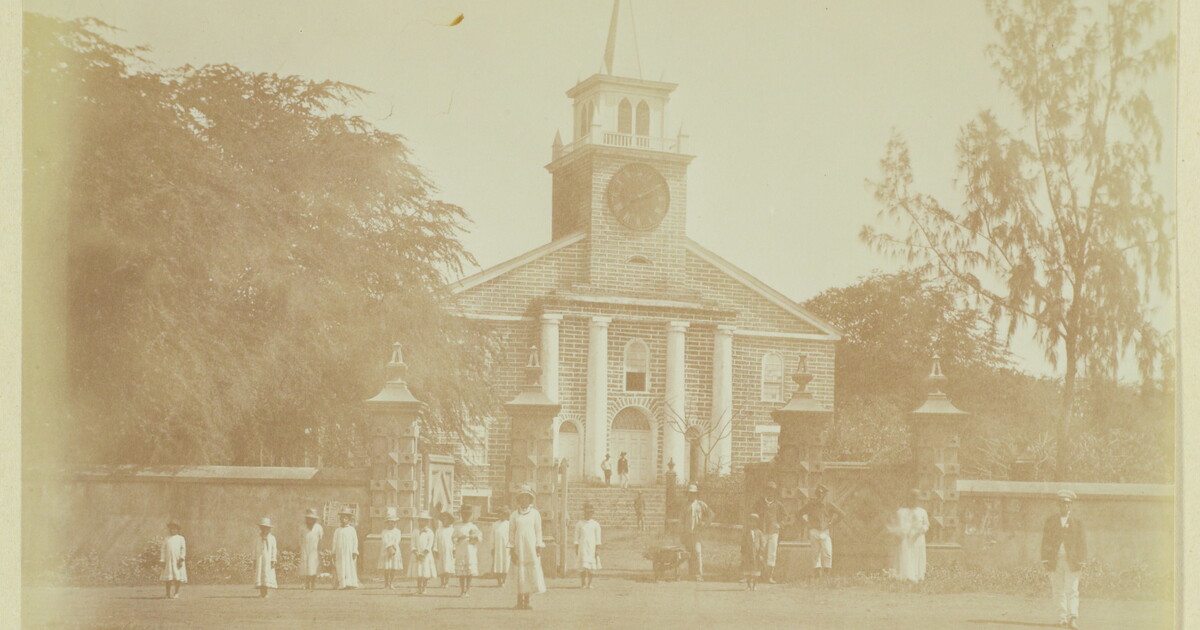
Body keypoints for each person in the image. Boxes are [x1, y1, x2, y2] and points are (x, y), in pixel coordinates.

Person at [1041, 490, 1087, 629]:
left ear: (1071, 506)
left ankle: (1072, 617)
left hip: (1072, 560)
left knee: (1072, 589)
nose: (1064, 507)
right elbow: (1046, 541)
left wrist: (1082, 560)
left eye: (1067, 504)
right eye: (1062, 504)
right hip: (1055, 560)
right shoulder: (1051, 521)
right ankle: (1062, 618)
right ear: (1058, 505)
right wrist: (1045, 559)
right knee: (1057, 589)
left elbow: (1082, 542)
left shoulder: (1077, 522)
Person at [508, 484, 546, 610]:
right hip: (519, 548)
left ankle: (528, 600)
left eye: (526, 498)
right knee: (519, 573)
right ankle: (519, 601)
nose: (524, 500)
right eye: (522, 498)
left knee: (530, 572)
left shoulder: (535, 514)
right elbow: (511, 532)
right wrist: (512, 549)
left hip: (530, 548)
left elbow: (538, 531)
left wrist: (538, 545)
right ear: (518, 500)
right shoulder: (514, 515)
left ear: (530, 500)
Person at [797, 484, 844, 581]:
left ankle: (826, 576)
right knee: (815, 554)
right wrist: (807, 523)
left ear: (825, 495)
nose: (820, 496)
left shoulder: (829, 505)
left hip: (825, 532)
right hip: (813, 531)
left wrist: (832, 523)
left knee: (827, 552)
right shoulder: (811, 504)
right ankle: (817, 576)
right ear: (816, 494)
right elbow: (799, 514)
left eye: (822, 494)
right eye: (818, 494)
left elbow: (842, 514)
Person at [888, 489, 930, 584]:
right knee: (906, 555)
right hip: (905, 538)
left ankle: (917, 576)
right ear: (908, 499)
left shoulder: (922, 511)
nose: (914, 501)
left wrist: (922, 529)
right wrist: (900, 532)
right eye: (912, 498)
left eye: (917, 499)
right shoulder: (901, 511)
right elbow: (897, 525)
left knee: (917, 555)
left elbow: (927, 524)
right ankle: (905, 576)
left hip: (918, 538)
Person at [679, 484, 714, 581]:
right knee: (689, 553)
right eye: (690, 493)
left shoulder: (701, 504)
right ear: (688, 494)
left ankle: (699, 575)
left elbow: (710, 515)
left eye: (694, 493)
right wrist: (682, 532)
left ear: (696, 494)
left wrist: (704, 524)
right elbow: (681, 520)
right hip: (687, 532)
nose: (692, 495)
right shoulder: (684, 505)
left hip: (697, 533)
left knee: (697, 552)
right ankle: (691, 574)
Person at [754, 481, 784, 583]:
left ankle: (769, 576)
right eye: (768, 490)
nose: (770, 492)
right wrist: (756, 526)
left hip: (773, 532)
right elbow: (753, 515)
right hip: (762, 531)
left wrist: (779, 524)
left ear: (775, 492)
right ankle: (757, 575)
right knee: (759, 552)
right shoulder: (759, 503)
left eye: (772, 490)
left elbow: (785, 516)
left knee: (772, 554)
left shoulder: (778, 504)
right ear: (765, 491)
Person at [453, 506, 483, 597]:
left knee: (469, 571)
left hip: (470, 549)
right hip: (461, 549)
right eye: (464, 514)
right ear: (461, 515)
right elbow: (453, 538)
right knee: (462, 571)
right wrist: (458, 538)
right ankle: (462, 590)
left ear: (471, 515)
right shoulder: (457, 526)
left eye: (468, 514)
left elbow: (480, 538)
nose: (466, 516)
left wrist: (474, 537)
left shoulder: (473, 526)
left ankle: (468, 590)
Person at [574, 503, 602, 589]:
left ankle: (590, 583)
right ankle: (583, 583)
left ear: (592, 513)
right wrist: (576, 547)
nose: (588, 514)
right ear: (584, 513)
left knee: (591, 566)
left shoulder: (595, 524)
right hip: (582, 547)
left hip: (592, 548)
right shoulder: (580, 524)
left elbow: (598, 538)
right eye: (586, 512)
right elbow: (576, 537)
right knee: (583, 565)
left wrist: (597, 549)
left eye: (590, 512)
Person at [332, 508, 360, 589]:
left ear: (349, 520)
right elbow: (334, 542)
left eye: (346, 518)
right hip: (340, 552)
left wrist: (355, 551)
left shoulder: (352, 530)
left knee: (349, 566)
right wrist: (333, 552)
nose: (344, 520)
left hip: (349, 552)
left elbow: (355, 541)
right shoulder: (337, 530)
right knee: (340, 566)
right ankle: (342, 584)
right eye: (342, 518)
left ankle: (351, 583)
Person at [159, 520, 187, 599]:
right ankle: (167, 594)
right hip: (168, 561)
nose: (173, 530)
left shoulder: (181, 538)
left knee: (177, 576)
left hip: (177, 560)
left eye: (175, 529)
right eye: (171, 529)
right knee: (168, 577)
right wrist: (162, 560)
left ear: (178, 530)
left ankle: (176, 593)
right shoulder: (167, 539)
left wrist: (181, 559)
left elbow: (183, 549)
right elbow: (163, 550)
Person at [378, 508, 404, 589]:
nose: (391, 524)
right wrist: (389, 548)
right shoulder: (384, 531)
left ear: (395, 523)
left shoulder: (397, 531)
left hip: (395, 551)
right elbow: (385, 540)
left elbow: (397, 541)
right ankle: (386, 583)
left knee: (393, 567)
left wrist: (393, 548)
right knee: (386, 568)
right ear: (387, 523)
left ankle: (391, 583)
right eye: (389, 522)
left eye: (393, 522)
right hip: (386, 550)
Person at [412, 511, 436, 595]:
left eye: (424, 520)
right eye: (421, 520)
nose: (422, 522)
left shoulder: (430, 532)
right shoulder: (415, 531)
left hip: (426, 555)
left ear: (427, 522)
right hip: (417, 554)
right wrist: (416, 553)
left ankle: (424, 588)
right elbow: (413, 543)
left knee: (425, 572)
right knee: (419, 572)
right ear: (418, 521)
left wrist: (424, 554)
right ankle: (419, 588)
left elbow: (430, 545)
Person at [299, 508, 323, 590]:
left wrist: (319, 550)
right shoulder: (302, 527)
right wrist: (301, 548)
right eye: (309, 518)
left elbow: (321, 539)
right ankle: (306, 583)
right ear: (306, 519)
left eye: (312, 519)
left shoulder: (318, 528)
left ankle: (313, 583)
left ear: (315, 519)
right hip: (305, 549)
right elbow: (300, 538)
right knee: (305, 566)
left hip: (314, 549)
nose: (310, 520)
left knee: (313, 566)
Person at [742, 512, 767, 591]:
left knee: (756, 569)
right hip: (748, 553)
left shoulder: (759, 532)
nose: (752, 523)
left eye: (754, 521)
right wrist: (743, 553)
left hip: (756, 553)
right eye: (751, 521)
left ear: (757, 523)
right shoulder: (746, 532)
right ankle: (749, 585)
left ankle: (755, 585)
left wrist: (761, 553)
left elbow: (762, 543)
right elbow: (743, 542)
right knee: (748, 569)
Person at [253, 518, 278, 598]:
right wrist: (254, 559)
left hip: (268, 560)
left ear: (269, 529)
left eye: (267, 528)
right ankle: (261, 593)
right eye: (263, 528)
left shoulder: (272, 538)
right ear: (261, 528)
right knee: (260, 575)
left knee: (267, 575)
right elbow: (254, 549)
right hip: (260, 559)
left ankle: (266, 592)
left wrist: (273, 559)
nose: (265, 530)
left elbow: (274, 549)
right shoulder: (258, 538)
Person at [489, 504, 511, 586]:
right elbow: (492, 537)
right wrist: (492, 547)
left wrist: (511, 546)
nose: (502, 515)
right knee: (498, 563)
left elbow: (511, 536)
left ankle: (504, 580)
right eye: (500, 513)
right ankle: (499, 580)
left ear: (506, 515)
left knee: (506, 563)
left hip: (506, 547)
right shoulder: (495, 524)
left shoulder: (509, 524)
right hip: (498, 547)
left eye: (504, 514)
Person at [433, 512, 456, 588]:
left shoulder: (452, 530)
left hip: (449, 550)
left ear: (449, 520)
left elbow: (454, 540)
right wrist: (435, 549)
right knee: (440, 566)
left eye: (445, 519)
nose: (444, 521)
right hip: (440, 550)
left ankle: (447, 582)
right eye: (442, 520)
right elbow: (435, 540)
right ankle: (442, 581)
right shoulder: (438, 530)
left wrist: (454, 549)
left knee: (448, 565)